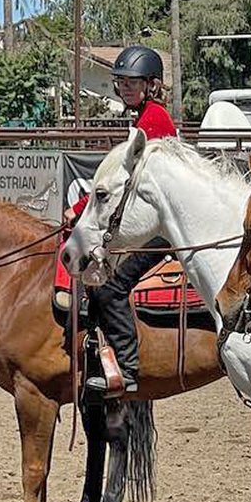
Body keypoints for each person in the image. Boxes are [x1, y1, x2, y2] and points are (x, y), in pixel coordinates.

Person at [88, 44, 177, 395]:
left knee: (111, 287)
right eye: (120, 82)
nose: (125, 88)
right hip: (155, 221)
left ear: (151, 85)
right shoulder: (145, 117)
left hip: (161, 229)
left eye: (131, 83)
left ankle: (126, 368)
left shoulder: (152, 121)